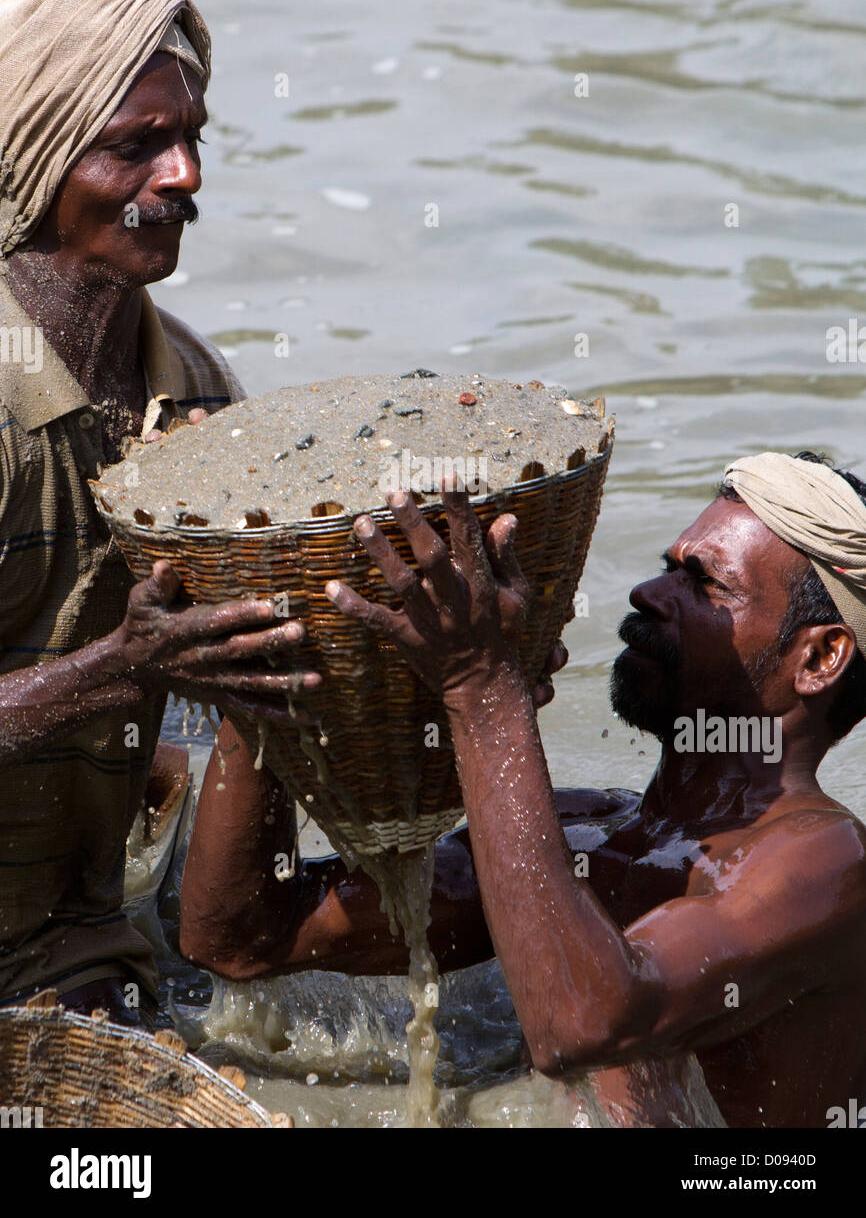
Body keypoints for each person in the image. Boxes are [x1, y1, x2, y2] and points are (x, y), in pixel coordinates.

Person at [180, 450, 866, 1128]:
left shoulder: (828, 863)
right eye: (667, 569)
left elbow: (582, 1027)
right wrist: (267, 670)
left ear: (818, 656)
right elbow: (242, 936)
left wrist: (482, 688)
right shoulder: (586, 833)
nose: (648, 594)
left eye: (705, 584)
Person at [0, 0, 317, 1022]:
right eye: (136, 145)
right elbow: (132, 664)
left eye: (192, 138)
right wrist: (117, 670)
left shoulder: (194, 388)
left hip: (67, 927)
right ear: (36, 157)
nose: (183, 174)